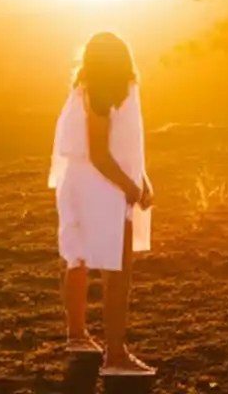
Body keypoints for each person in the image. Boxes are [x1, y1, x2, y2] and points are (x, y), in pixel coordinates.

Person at [48, 32, 155, 376]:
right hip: (101, 187)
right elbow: (99, 153)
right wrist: (130, 187)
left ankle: (77, 335)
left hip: (78, 185)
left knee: (77, 258)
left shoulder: (86, 90)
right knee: (117, 271)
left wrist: (142, 178)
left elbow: (124, 146)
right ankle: (116, 356)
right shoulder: (102, 94)